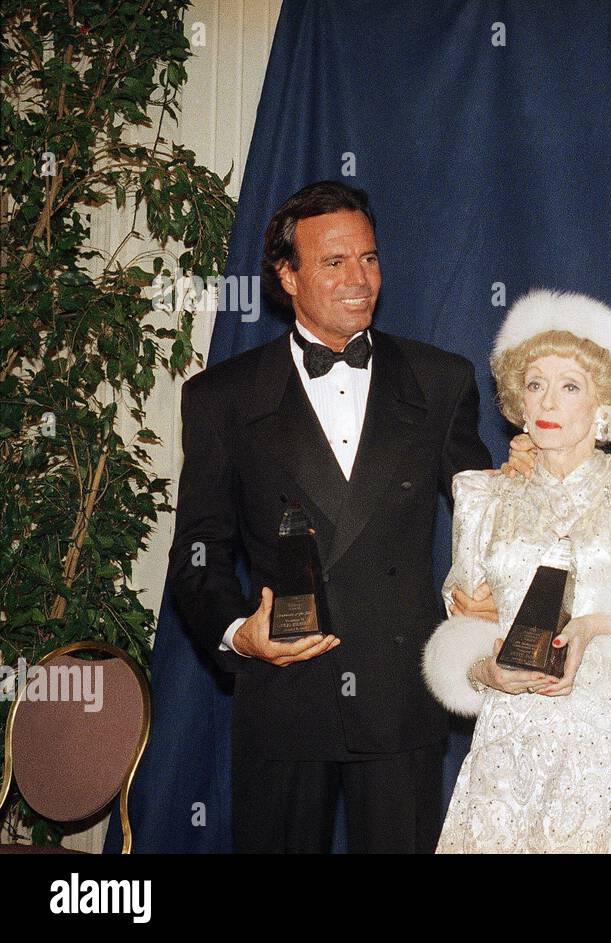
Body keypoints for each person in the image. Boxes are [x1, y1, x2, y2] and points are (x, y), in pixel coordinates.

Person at [167, 180, 492, 852]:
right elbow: (197, 551)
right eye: (334, 263)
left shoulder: (440, 381)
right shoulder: (221, 398)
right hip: (283, 699)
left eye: (369, 258)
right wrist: (237, 633)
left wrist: (486, 586)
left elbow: (485, 514)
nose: (360, 279)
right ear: (287, 275)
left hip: (402, 697)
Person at [424, 288, 611, 853]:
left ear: (605, 404)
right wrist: (484, 670)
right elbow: (466, 625)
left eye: (569, 386)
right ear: (517, 401)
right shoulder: (483, 498)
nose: (547, 402)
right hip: (506, 768)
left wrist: (593, 626)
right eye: (535, 384)